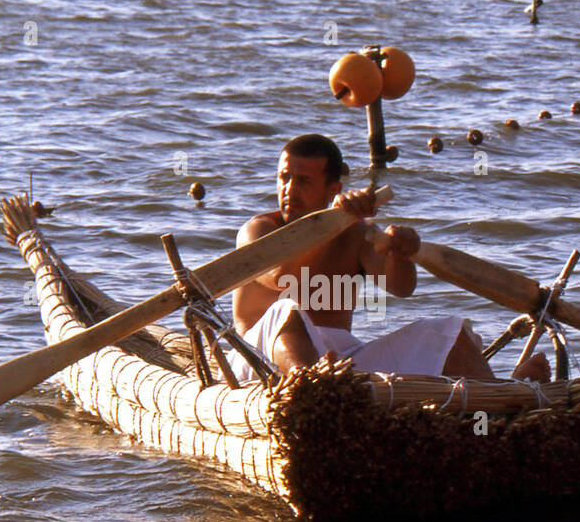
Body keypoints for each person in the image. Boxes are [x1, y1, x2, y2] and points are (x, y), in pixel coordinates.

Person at [227, 134, 550, 383]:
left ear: (333, 189)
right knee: (286, 309)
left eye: (303, 181)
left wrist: (400, 251)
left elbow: (401, 287)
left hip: (339, 362)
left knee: (450, 332)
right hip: (259, 359)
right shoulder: (258, 230)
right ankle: (313, 391)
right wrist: (333, 224)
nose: (289, 189)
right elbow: (283, 274)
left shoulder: (356, 232)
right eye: (284, 177)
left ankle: (500, 398)